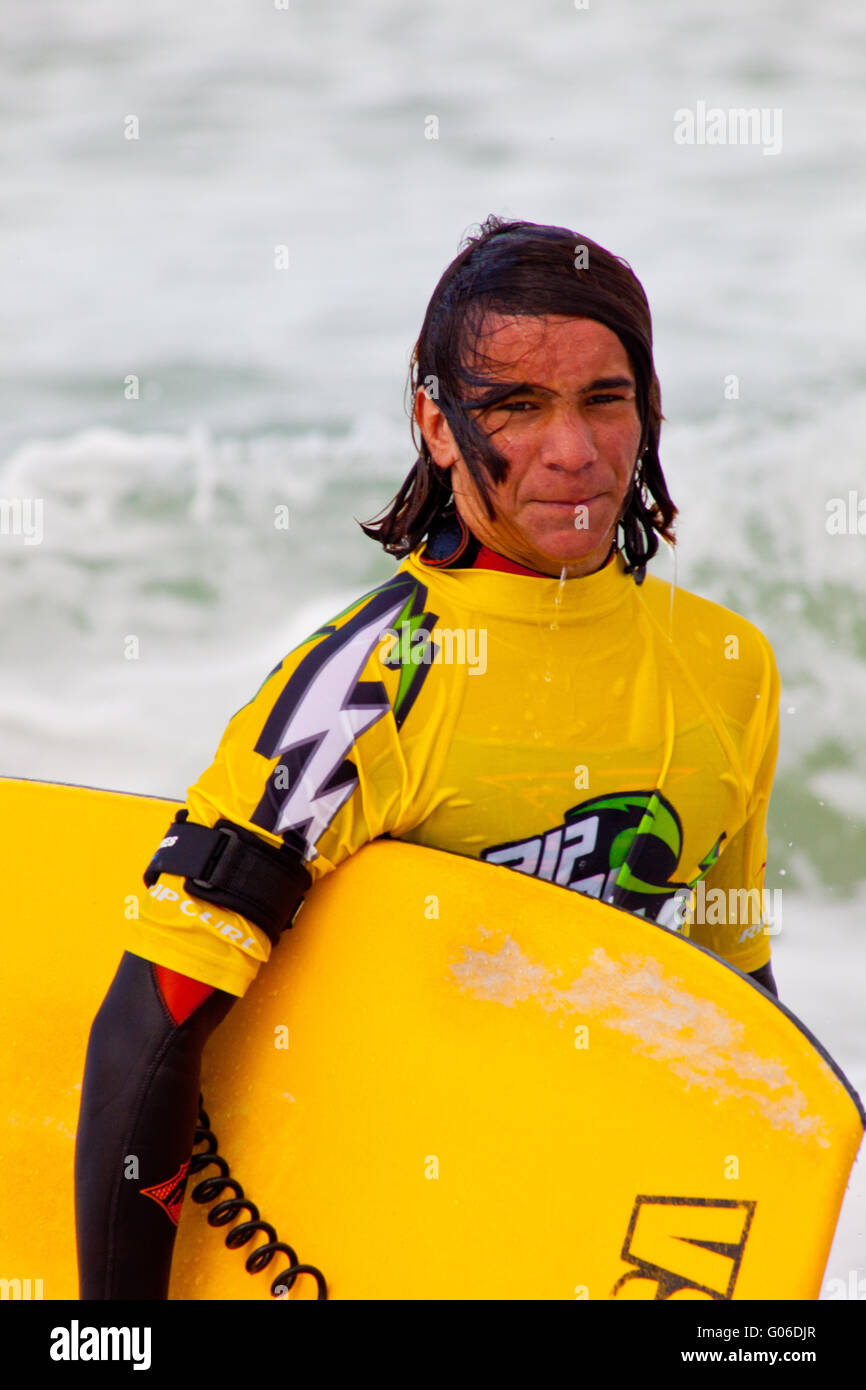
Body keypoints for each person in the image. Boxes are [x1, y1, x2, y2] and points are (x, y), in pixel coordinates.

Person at [74, 216, 781, 1300]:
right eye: (514, 405)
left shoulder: (727, 668)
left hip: (589, 1232)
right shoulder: (373, 686)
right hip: (364, 1235)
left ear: (648, 407)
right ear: (436, 424)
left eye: (604, 397)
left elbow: (735, 996)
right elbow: (152, 1022)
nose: (572, 451)